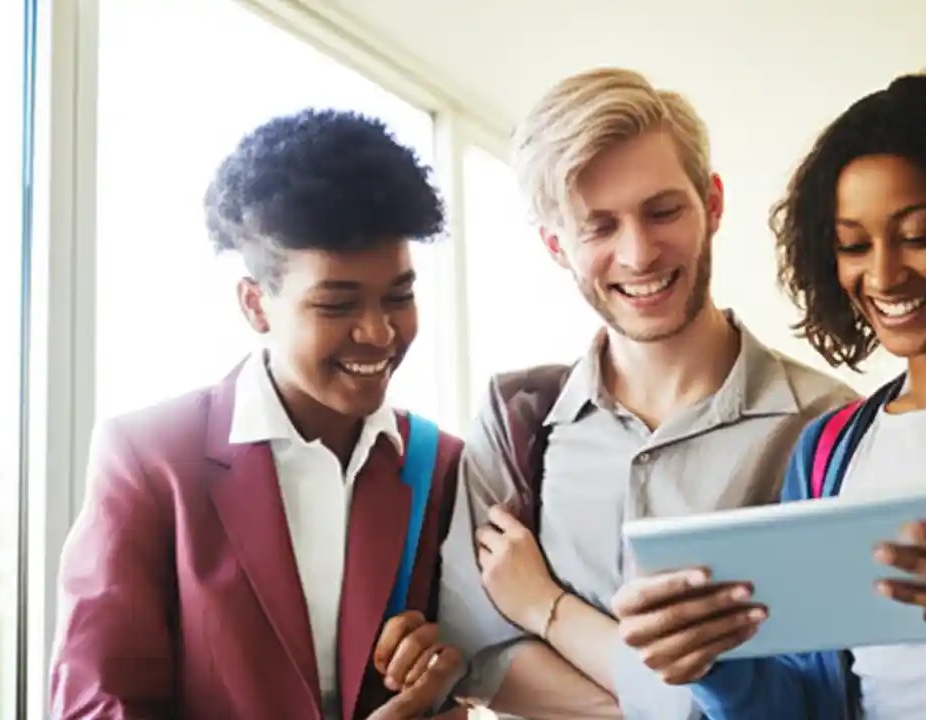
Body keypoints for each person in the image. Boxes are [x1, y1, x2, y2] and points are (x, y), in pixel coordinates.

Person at [611, 62, 926, 719]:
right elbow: (807, 704)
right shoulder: (828, 451)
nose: (883, 275)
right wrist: (716, 669)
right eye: (852, 245)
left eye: (918, 236)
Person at [437, 67, 857, 718]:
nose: (638, 254)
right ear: (556, 246)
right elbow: (479, 651)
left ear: (712, 204)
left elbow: (817, 692)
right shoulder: (517, 418)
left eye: (662, 212)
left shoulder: (828, 427)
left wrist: (547, 609)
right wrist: (672, 707)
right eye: (599, 228)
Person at [49, 109, 467, 720]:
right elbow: (93, 704)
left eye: (398, 296)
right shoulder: (151, 460)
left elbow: (478, 663)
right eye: (336, 304)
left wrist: (447, 672)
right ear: (256, 305)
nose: (379, 332)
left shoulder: (442, 468)